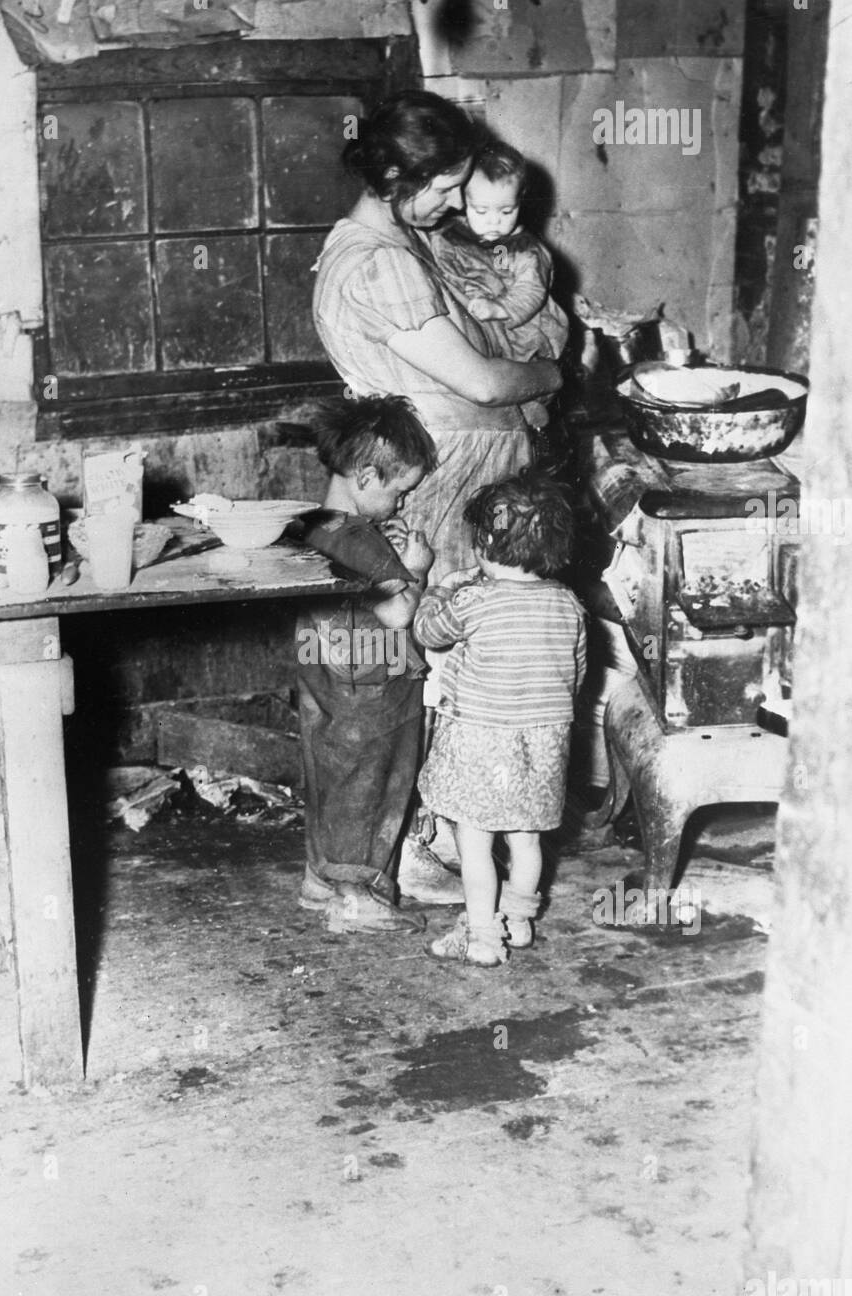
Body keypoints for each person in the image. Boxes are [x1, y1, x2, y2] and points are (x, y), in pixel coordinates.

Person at [312, 90, 561, 903]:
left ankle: (433, 837)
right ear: (394, 175)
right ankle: (417, 845)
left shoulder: (389, 244)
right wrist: (556, 371)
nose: (457, 201)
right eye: (446, 186)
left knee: (436, 658)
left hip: (445, 473)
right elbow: (484, 382)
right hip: (438, 476)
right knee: (437, 666)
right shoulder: (379, 260)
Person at [413, 474, 587, 966]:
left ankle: (485, 937)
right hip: (542, 745)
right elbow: (575, 673)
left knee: (476, 846)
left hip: (481, 744)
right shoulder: (568, 605)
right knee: (527, 841)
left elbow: (428, 632)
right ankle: (520, 921)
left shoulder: (474, 599)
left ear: (486, 543)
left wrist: (439, 590)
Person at [296, 394, 437, 934]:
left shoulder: (312, 525)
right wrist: (417, 569)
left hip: (323, 674)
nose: (401, 505)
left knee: (327, 774)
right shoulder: (365, 542)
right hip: (373, 684)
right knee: (370, 781)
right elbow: (398, 614)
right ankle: (354, 898)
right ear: (367, 474)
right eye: (399, 492)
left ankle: (319, 881)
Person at [429, 137, 569, 434]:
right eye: (481, 211)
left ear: (521, 202)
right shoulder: (450, 235)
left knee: (521, 374)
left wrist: (499, 308)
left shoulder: (524, 250)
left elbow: (531, 291)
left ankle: (532, 409)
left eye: (506, 212)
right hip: (474, 323)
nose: (494, 221)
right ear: (462, 201)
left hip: (517, 326)